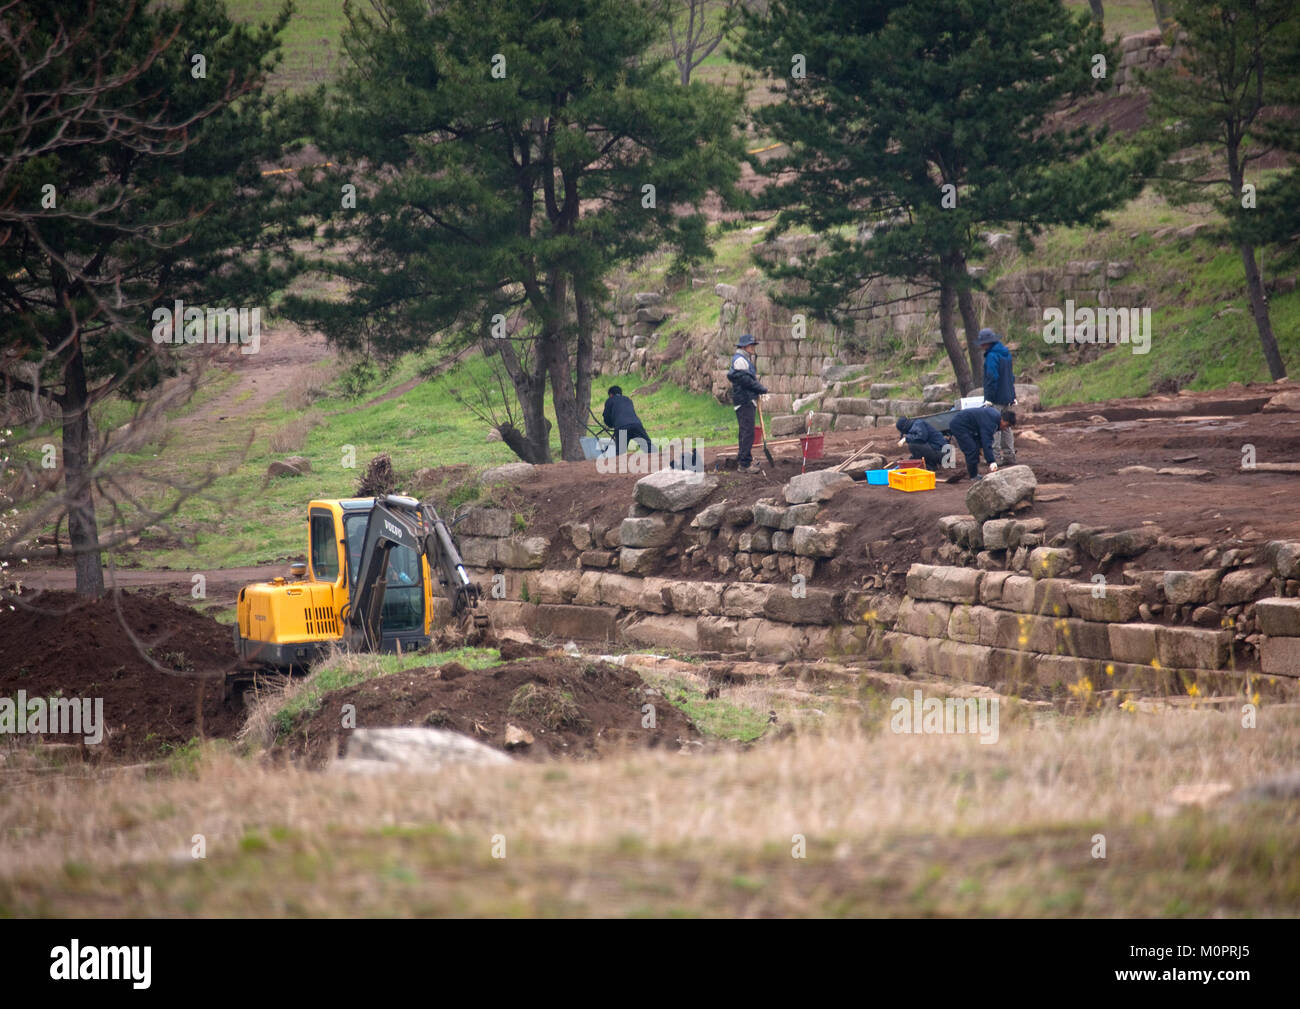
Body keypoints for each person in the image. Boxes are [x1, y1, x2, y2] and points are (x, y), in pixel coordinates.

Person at [727, 333, 767, 472]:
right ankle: (744, 464)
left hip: (746, 399)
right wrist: (761, 389)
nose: (753, 348)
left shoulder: (743, 359)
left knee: (745, 431)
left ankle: (743, 458)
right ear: (745, 346)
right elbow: (746, 381)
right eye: (751, 345)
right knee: (747, 432)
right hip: (744, 400)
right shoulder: (740, 360)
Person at [977, 328, 1017, 465]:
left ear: (988, 343)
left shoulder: (992, 356)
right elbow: (1011, 377)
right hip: (1007, 396)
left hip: (996, 397)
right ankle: (1010, 455)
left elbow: (992, 377)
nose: (981, 346)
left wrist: (989, 398)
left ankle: (995, 457)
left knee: (994, 427)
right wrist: (1013, 395)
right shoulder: (1006, 354)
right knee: (1007, 427)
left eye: (982, 343)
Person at [946, 405, 1016, 483]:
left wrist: (982, 449)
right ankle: (973, 475)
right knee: (971, 449)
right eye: (1007, 425)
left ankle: (972, 471)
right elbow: (986, 442)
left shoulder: (995, 418)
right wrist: (992, 461)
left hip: (970, 427)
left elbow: (985, 439)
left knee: (976, 448)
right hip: (960, 425)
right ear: (1003, 420)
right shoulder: (991, 422)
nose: (1005, 428)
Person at [602, 385, 652, 456]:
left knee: (620, 453)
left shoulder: (610, 400)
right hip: (636, 424)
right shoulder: (627, 399)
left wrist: (611, 425)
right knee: (648, 447)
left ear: (610, 394)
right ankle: (660, 462)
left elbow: (606, 416)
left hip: (622, 427)